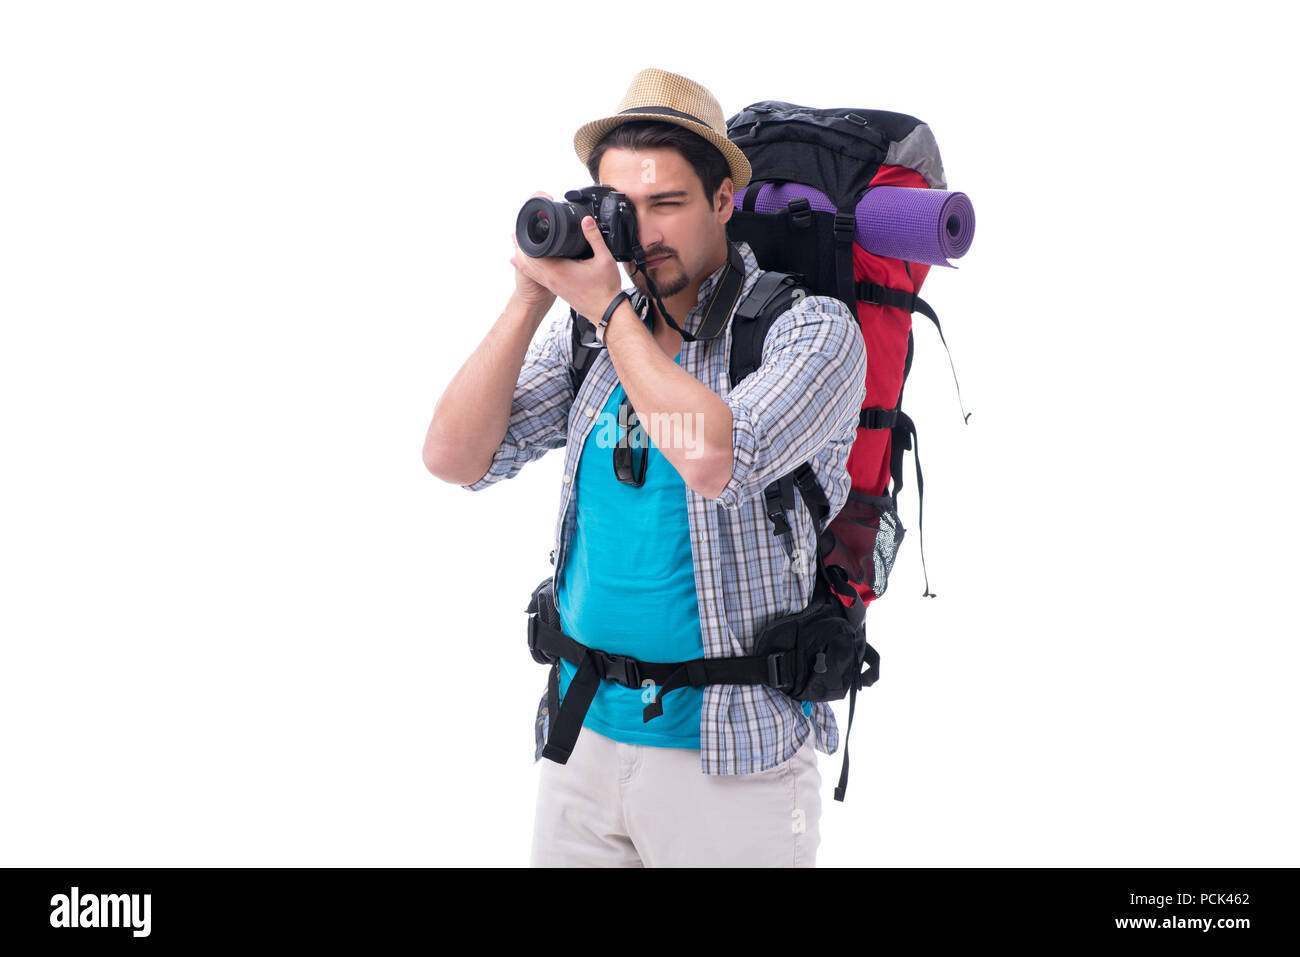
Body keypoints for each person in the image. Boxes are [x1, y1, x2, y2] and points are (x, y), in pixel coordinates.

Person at [422, 68, 866, 867]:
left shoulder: (810, 331)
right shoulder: (593, 339)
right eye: (626, 206)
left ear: (724, 200)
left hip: (732, 761)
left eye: (668, 203)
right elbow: (453, 457)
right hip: (582, 739)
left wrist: (608, 308)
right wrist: (530, 296)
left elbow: (718, 457)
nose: (645, 231)